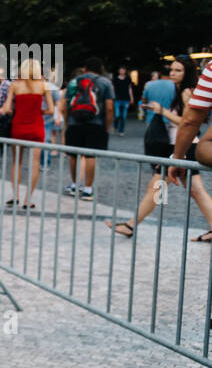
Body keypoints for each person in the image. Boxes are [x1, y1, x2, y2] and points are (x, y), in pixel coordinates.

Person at [110, 56, 212, 242]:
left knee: (157, 187)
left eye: (178, 70)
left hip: (184, 147)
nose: (172, 74)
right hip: (181, 146)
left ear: (187, 72)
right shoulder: (182, 91)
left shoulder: (187, 93)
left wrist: (162, 111)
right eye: (171, 70)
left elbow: (189, 123)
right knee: (194, 191)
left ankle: (130, 225)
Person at [0, 59, 55, 208]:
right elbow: (51, 110)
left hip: (19, 126)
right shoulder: (43, 85)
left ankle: (15, 195)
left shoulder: (15, 85)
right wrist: (39, 111)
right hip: (36, 126)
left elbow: (7, 108)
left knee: (16, 162)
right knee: (35, 164)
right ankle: (27, 199)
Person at [56, 57, 114, 201]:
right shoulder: (105, 83)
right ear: (100, 69)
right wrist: (106, 127)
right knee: (91, 156)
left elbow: (65, 105)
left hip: (75, 122)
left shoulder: (74, 82)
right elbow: (109, 108)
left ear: (85, 68)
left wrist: (68, 123)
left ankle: (75, 184)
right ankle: (88, 189)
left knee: (73, 154)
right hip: (96, 123)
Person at [112, 65, 131, 134]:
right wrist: (112, 97)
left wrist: (131, 97)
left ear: (125, 71)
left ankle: (121, 130)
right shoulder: (115, 79)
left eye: (123, 70)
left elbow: (129, 88)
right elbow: (113, 89)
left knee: (123, 116)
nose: (122, 71)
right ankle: (115, 125)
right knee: (117, 115)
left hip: (126, 99)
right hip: (117, 99)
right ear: (119, 71)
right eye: (121, 70)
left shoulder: (128, 79)